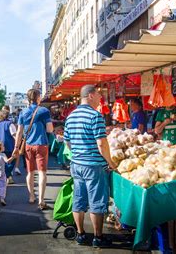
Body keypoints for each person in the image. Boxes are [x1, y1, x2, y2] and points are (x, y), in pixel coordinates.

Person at [64, 85, 117, 248]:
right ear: (91, 95)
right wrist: (111, 162)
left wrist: (78, 153)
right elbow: (101, 144)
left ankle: (80, 235)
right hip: (94, 166)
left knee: (78, 200)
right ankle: (98, 237)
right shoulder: (95, 116)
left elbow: (67, 141)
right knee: (97, 202)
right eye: (99, 96)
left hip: (77, 164)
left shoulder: (71, 116)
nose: (100, 100)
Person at [13, 89, 54, 210]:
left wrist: (16, 147)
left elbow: (19, 132)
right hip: (41, 144)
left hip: (28, 145)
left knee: (30, 172)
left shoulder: (23, 112)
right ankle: (41, 200)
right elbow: (50, 129)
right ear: (38, 98)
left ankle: (31, 196)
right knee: (42, 173)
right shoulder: (44, 111)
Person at [0, 110, 17, 184]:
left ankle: (6, 176)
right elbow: (14, 135)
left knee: (2, 162)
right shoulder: (10, 124)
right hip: (8, 145)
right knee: (11, 161)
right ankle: (8, 176)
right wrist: (18, 144)